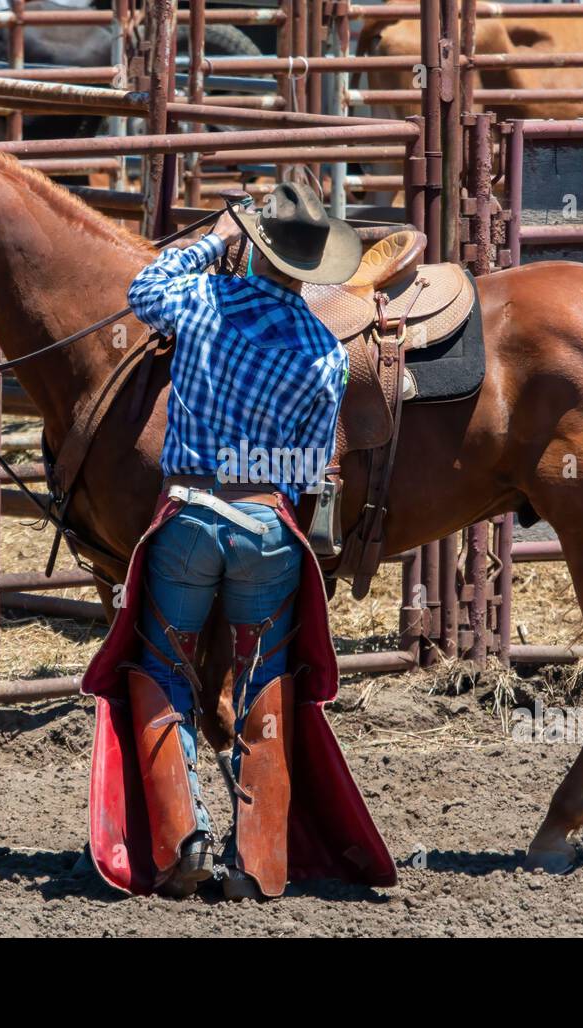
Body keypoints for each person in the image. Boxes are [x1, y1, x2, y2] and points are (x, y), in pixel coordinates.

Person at [80, 182, 396, 901]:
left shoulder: (203, 305)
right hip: (268, 527)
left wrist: (212, 245)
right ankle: (258, 864)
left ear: (256, 247)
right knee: (264, 680)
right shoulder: (326, 354)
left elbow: (145, 285)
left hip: (190, 513)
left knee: (163, 667)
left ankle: (180, 843)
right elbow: (314, 468)